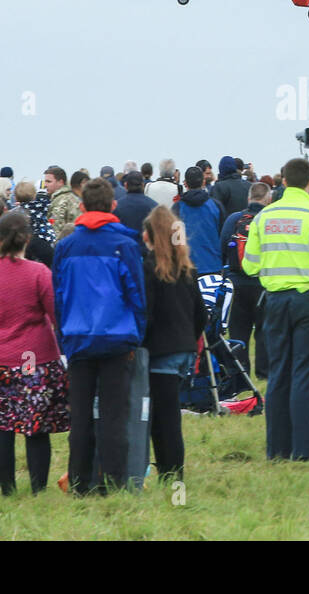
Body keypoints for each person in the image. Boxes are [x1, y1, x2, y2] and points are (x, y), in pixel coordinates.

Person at [0, 209, 69, 496]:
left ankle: (8, 491)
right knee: (36, 426)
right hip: (32, 359)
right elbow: (57, 316)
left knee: (1, 426)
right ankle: (38, 490)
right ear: (28, 238)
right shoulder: (39, 273)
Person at [52, 178, 146, 494]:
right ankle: (114, 481)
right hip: (117, 339)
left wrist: (64, 337)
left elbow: (59, 297)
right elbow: (136, 295)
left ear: (81, 206)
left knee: (79, 416)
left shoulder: (65, 247)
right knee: (113, 415)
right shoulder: (127, 247)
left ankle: (79, 482)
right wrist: (137, 335)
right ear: (113, 206)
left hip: (78, 338)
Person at [241, 157, 309, 461]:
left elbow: (249, 265)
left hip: (275, 301)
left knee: (278, 374)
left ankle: (277, 449)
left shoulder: (264, 217)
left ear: (283, 181)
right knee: (305, 373)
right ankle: (304, 451)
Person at [141, 205, 208, 481]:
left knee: (162, 419)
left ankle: (171, 475)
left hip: (161, 351)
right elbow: (201, 313)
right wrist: (190, 338)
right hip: (183, 350)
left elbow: (148, 313)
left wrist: (139, 343)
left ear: (148, 236)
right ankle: (171, 473)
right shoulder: (185, 268)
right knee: (168, 414)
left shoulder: (150, 268)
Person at [222, 181, 271, 379]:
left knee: (238, 332)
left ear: (248, 198)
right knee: (263, 331)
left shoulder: (234, 219)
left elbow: (223, 245)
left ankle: (240, 374)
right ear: (268, 199)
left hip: (236, 283)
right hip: (261, 283)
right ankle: (264, 373)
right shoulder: (268, 220)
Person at [172, 166, 224, 275]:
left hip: (186, 267)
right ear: (203, 182)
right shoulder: (215, 206)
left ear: (186, 183)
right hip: (213, 265)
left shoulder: (177, 208)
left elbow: (175, 240)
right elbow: (223, 236)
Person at [43, 166, 81, 238]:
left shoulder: (61, 201)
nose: (45, 185)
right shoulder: (72, 198)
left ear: (60, 182)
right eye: (45, 181)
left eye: (49, 182)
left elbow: (56, 232)